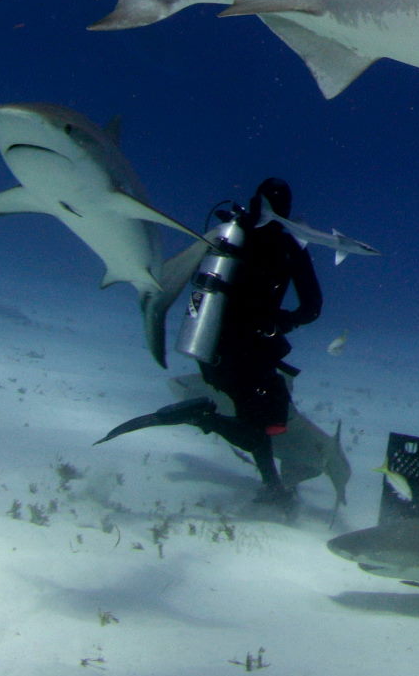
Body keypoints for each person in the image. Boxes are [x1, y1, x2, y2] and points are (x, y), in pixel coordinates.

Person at [97, 177, 323, 508]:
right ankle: (204, 418)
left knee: (258, 424)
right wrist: (281, 323)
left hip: (209, 345)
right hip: (252, 350)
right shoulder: (288, 248)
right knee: (266, 425)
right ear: (286, 211)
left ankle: (272, 486)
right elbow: (313, 308)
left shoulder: (228, 234)